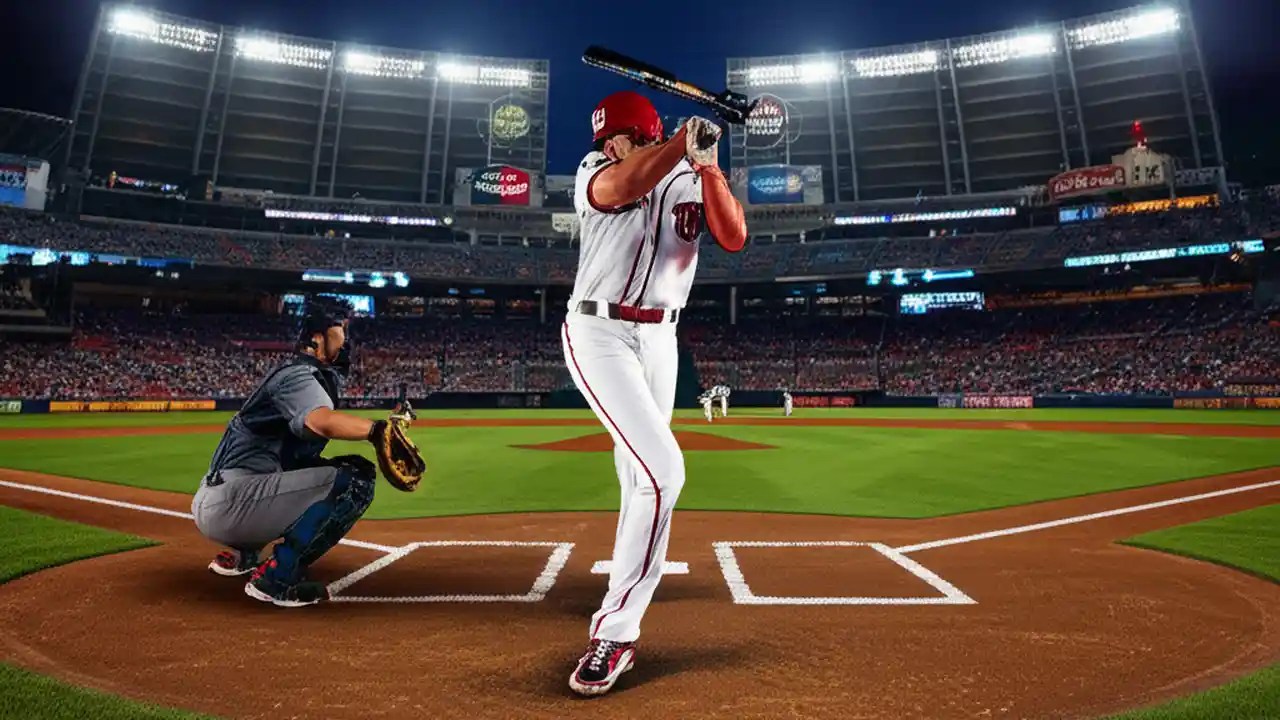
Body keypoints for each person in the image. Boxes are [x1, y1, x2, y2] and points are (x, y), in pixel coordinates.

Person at [561, 89, 747, 695]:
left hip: (661, 339)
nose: (602, 147)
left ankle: (624, 594)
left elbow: (734, 234)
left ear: (633, 132)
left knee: (641, 480)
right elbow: (623, 188)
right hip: (598, 330)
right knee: (664, 469)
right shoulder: (599, 172)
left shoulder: (687, 174)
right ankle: (615, 632)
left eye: (610, 136)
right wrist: (676, 146)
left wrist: (709, 165)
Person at [192, 298, 394, 607]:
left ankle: (241, 554)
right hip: (230, 504)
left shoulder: (298, 375)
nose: (345, 341)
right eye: (339, 331)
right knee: (356, 478)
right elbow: (321, 422)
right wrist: (377, 431)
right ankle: (276, 581)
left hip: (230, 499)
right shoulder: (298, 375)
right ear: (316, 339)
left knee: (305, 467)